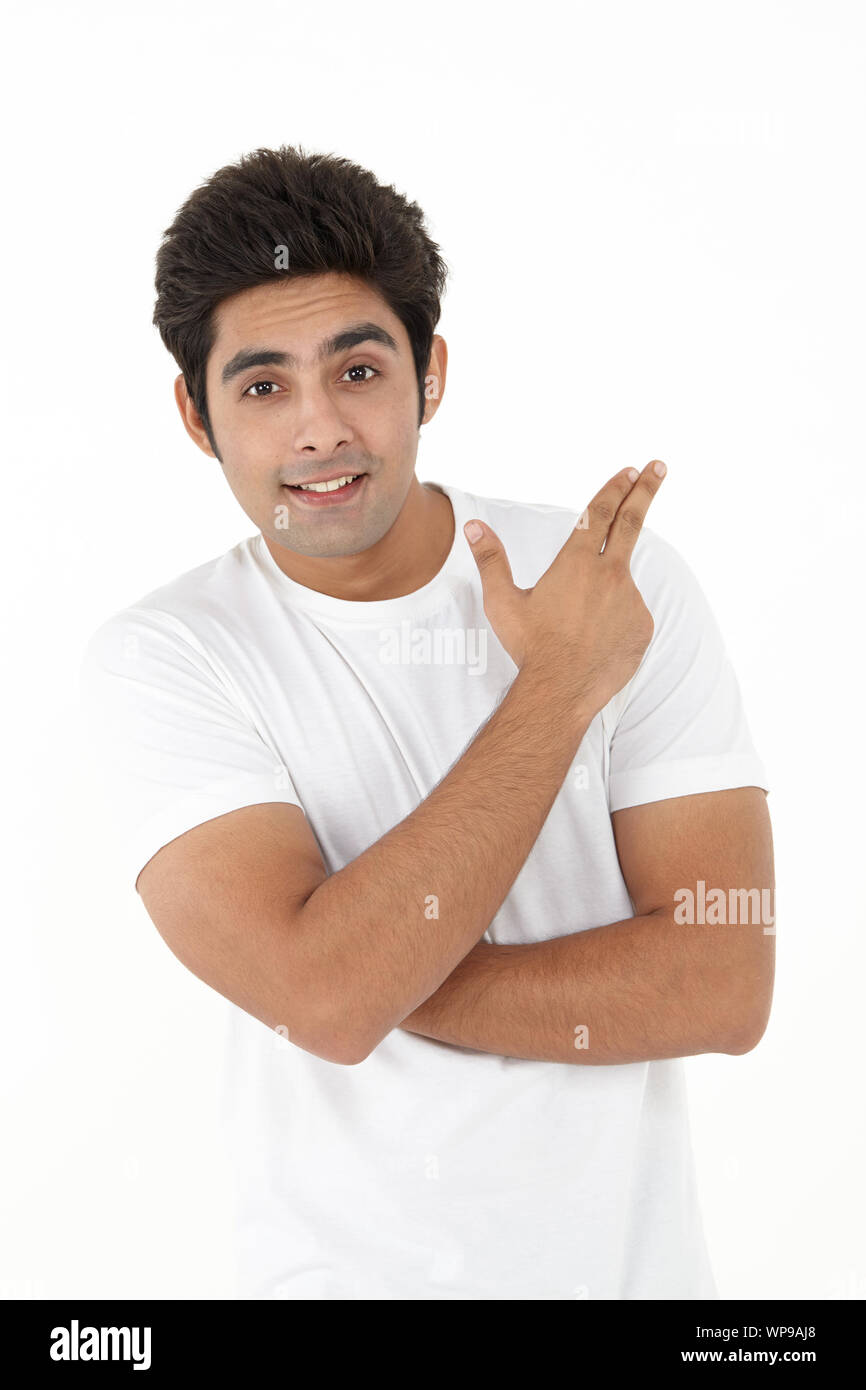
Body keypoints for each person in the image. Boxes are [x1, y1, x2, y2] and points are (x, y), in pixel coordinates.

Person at [79, 145, 775, 1300]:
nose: (317, 432)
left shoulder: (604, 583)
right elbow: (324, 1000)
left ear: (428, 374)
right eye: (261, 388)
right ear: (195, 416)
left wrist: (354, 974)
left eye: (357, 370)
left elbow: (721, 984)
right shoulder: (167, 658)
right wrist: (555, 690)